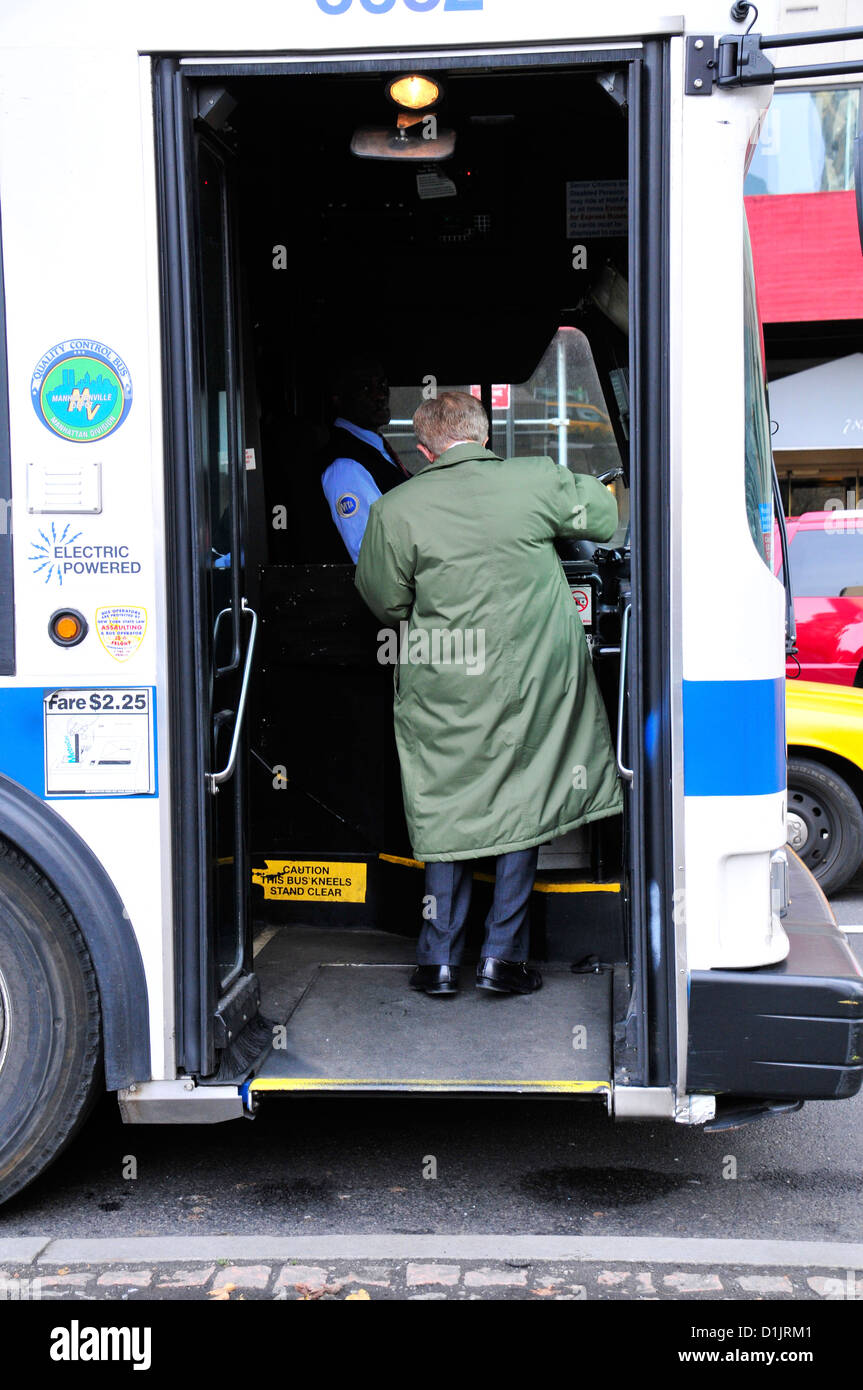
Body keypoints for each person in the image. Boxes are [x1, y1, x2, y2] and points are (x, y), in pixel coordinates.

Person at [355, 391, 623, 996]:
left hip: (445, 681)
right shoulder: (533, 480)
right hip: (536, 675)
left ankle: (439, 961)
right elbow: (603, 519)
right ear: (484, 437)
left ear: (424, 451)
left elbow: (385, 600)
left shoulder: (396, 509)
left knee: (445, 803)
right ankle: (502, 959)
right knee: (523, 798)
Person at [319, 357, 410, 562]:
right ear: (338, 398)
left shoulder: (374, 450)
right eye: (365, 388)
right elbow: (371, 555)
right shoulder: (345, 465)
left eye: (383, 385)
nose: (380, 395)